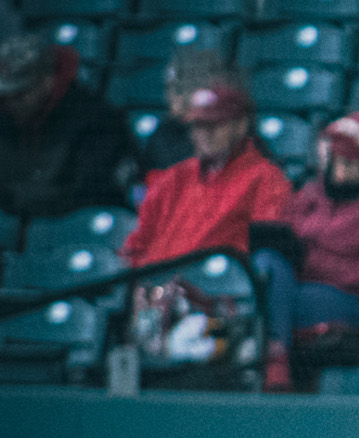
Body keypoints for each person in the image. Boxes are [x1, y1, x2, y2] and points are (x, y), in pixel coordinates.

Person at [252, 108, 359, 384]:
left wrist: (311, 260)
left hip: (355, 301)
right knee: (266, 262)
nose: (340, 174)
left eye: (351, 165)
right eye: (336, 162)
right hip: (293, 287)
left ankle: (270, 367)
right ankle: (271, 364)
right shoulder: (310, 194)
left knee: (271, 302)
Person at [121, 82, 290, 269]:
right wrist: (139, 287)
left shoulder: (266, 179)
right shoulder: (174, 178)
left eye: (214, 126)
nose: (204, 134)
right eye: (198, 126)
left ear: (240, 125)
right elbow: (138, 245)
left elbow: (264, 255)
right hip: (156, 285)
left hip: (213, 288)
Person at [0, 33, 136, 220]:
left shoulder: (97, 120)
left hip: (73, 231)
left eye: (20, 94)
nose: (10, 103)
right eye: (6, 95)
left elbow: (89, 194)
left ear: (47, 80)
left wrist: (17, 198)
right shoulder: (6, 116)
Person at [141, 47, 234, 177]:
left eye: (179, 88)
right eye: (169, 88)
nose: (170, 96)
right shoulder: (163, 136)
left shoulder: (234, 129)